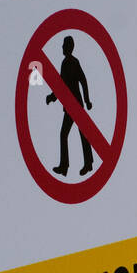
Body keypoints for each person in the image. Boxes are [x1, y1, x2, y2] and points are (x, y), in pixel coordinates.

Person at [45, 36, 94, 176]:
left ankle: (71, 165)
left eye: (63, 45)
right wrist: (52, 97)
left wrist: (87, 100)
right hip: (73, 105)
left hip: (74, 105)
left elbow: (82, 81)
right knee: (78, 133)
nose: (61, 48)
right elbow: (61, 85)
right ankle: (79, 164)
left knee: (70, 134)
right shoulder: (67, 62)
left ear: (68, 47)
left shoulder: (70, 62)